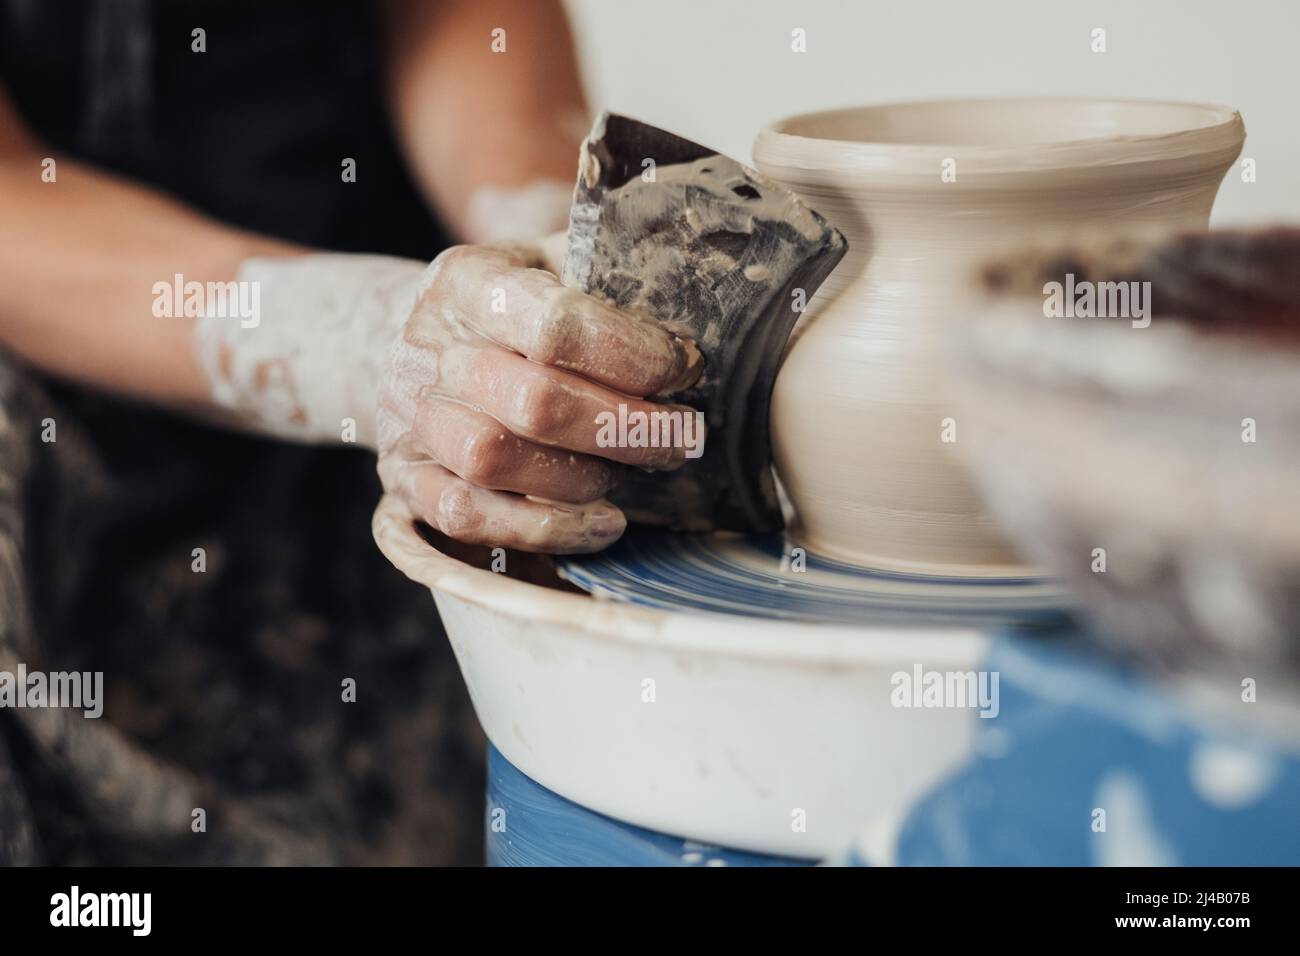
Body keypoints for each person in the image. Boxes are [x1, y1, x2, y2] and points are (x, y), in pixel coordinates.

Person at [0, 0, 697, 865]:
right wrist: (364, 341)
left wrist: (540, 261)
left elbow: (459, 17)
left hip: (387, 334)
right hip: (57, 387)